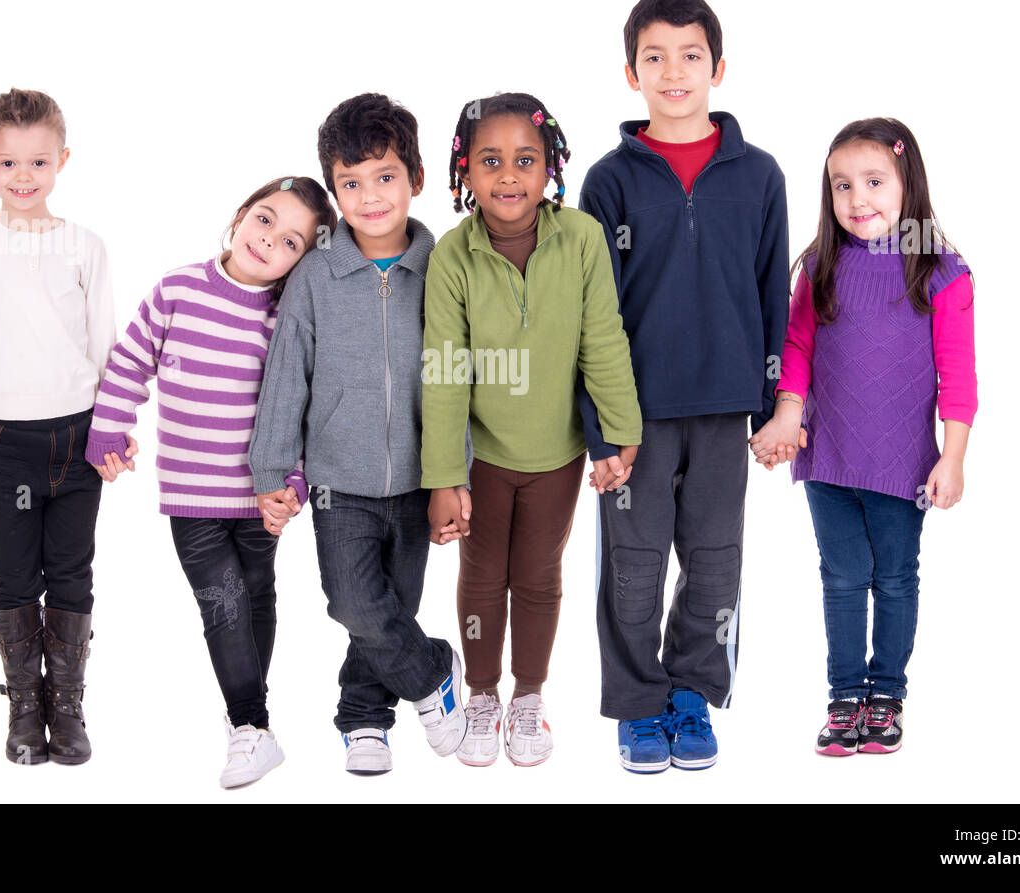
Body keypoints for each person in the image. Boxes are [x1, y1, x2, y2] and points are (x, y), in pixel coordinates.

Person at [578, 0, 791, 773]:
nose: (674, 72)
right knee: (632, 567)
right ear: (631, 73)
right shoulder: (608, 182)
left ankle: (691, 694)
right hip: (635, 414)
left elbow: (774, 292)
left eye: (691, 55)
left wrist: (773, 408)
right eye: (655, 57)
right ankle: (637, 706)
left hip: (726, 410)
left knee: (715, 558)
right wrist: (601, 427)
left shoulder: (759, 175)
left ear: (719, 67)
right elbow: (588, 316)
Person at [84, 176, 336, 787]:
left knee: (257, 600)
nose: (269, 240)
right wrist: (108, 428)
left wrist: (294, 484)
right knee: (221, 604)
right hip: (193, 497)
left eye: (291, 242)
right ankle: (252, 725)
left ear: (302, 262)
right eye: (265, 220)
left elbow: (304, 408)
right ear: (242, 213)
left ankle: (249, 726)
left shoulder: (286, 319)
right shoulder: (178, 291)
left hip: (260, 497)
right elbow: (128, 361)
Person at [249, 93, 465, 776]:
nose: (369, 197)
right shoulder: (314, 276)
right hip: (339, 479)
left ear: (416, 178)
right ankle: (433, 672)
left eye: (384, 177)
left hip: (417, 480)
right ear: (336, 191)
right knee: (351, 601)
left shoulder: (446, 269)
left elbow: (459, 379)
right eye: (351, 183)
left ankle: (366, 718)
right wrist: (270, 472)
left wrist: (452, 475)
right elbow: (287, 377)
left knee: (391, 606)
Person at [425, 92, 642, 767]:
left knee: (539, 574)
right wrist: (443, 477)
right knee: (483, 573)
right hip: (482, 455)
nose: (509, 175)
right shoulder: (452, 257)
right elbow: (442, 370)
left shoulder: (580, 238)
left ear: (551, 167)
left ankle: (528, 695)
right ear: (465, 170)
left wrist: (622, 427)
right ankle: (483, 691)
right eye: (490, 161)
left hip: (557, 454)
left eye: (526, 159)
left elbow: (603, 340)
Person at [749, 118, 976, 756]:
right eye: (842, 186)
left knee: (896, 577)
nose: (858, 199)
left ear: (909, 184)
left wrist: (953, 457)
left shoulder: (941, 272)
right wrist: (788, 411)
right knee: (842, 577)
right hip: (828, 457)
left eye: (875, 182)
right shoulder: (819, 265)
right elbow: (796, 346)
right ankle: (845, 695)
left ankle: (888, 694)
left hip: (904, 464)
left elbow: (959, 377)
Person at [0, 87, 116, 766]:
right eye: (8, 163)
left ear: (62, 160)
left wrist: (115, 429)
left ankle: (65, 706)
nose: (23, 177)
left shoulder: (84, 246)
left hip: (78, 433)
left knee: (71, 571)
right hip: (6, 440)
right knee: (14, 575)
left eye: (38, 162)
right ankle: (24, 705)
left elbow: (106, 345)